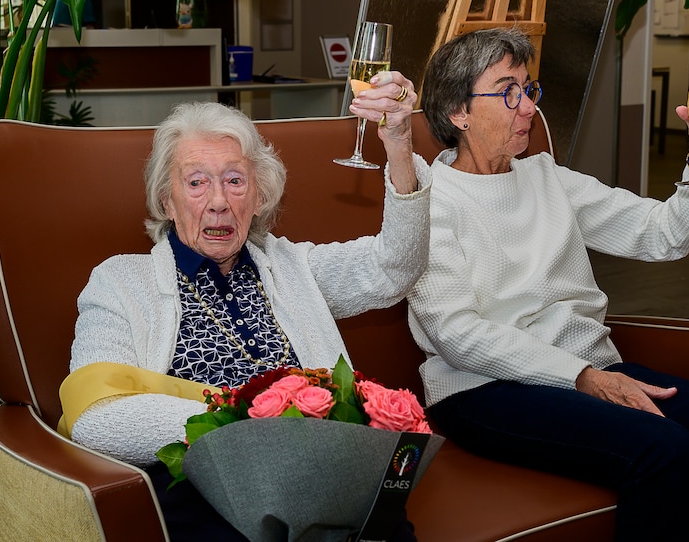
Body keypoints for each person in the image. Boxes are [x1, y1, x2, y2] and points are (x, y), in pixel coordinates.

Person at [407, 28, 689, 541]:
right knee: (667, 452)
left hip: (590, 369)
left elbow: (663, 234)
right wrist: (582, 376)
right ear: (459, 111)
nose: (528, 107)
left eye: (529, 89)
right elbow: (458, 335)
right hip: (484, 389)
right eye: (508, 92)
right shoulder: (426, 202)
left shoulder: (547, 177)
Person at [62, 72, 428, 541]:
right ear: (167, 200)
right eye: (196, 182)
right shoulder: (120, 282)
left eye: (235, 181)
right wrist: (247, 425)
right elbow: (96, 418)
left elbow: (395, 268)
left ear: (259, 197)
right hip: (206, 486)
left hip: (318, 475)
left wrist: (398, 144)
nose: (218, 201)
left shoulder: (292, 267)